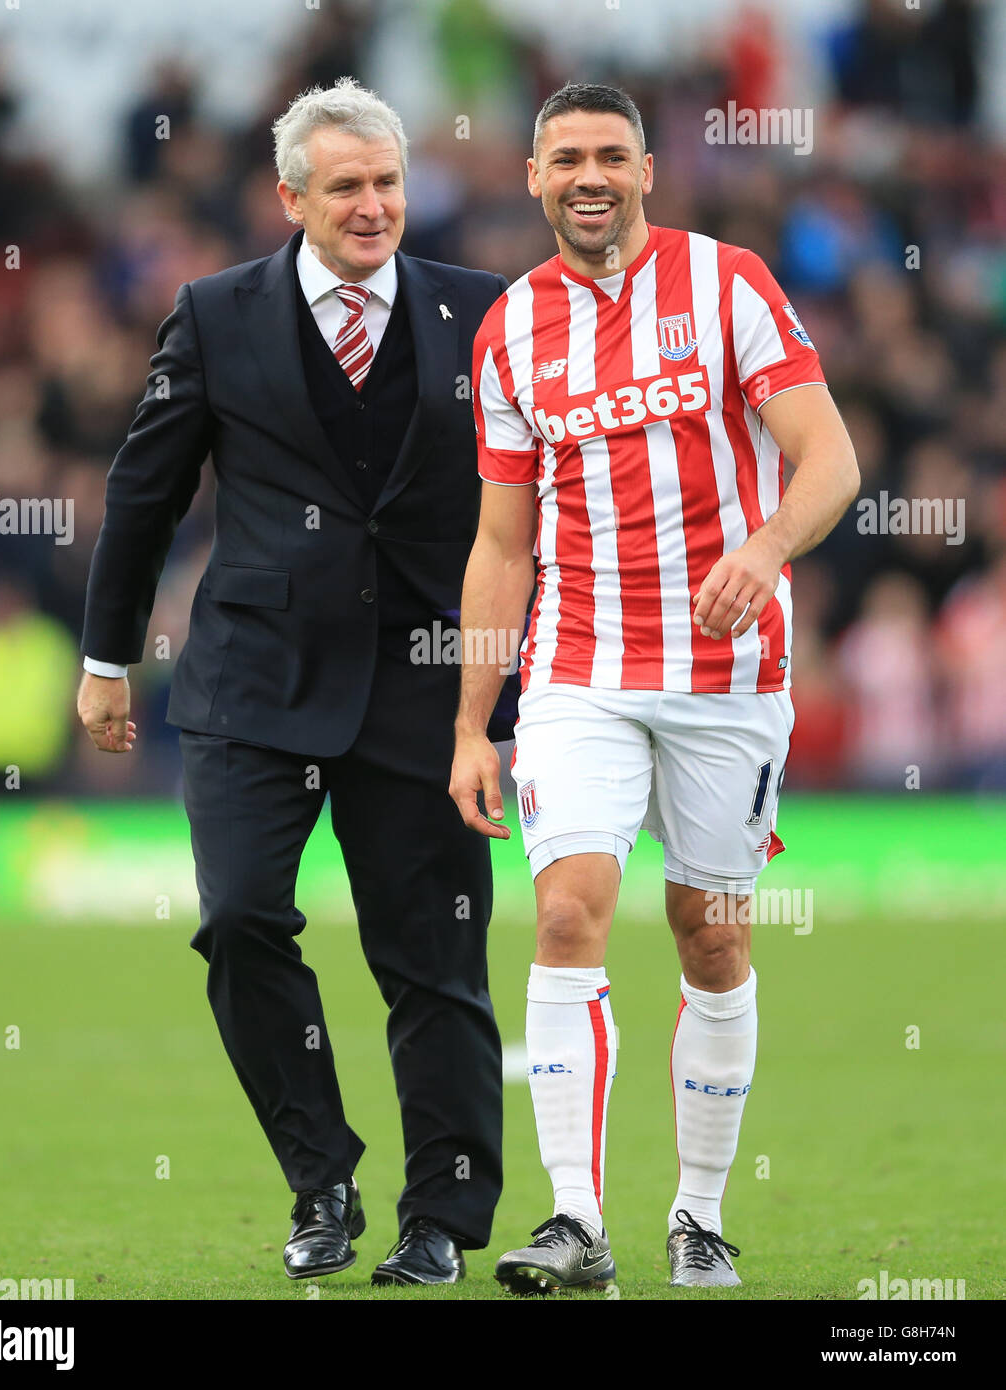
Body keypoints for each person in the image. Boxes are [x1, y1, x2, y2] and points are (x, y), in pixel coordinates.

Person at [77, 78, 510, 1288]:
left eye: (388, 183)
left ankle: (441, 1219)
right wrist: (107, 659)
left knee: (434, 960)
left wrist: (511, 693)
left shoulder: (483, 310)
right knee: (242, 920)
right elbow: (144, 491)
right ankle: (321, 1177)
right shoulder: (214, 316)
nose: (374, 206)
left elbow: (532, 511)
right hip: (252, 683)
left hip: (427, 687)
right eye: (347, 187)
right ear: (291, 197)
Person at [450, 83, 859, 1294]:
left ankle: (699, 1213)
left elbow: (829, 455)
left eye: (611, 156)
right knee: (570, 909)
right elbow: (502, 545)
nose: (590, 175)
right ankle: (574, 1220)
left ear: (646, 172)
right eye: (566, 156)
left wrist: (765, 547)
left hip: (729, 672)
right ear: (533, 177)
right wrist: (475, 720)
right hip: (579, 671)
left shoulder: (728, 284)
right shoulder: (510, 329)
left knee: (713, 934)